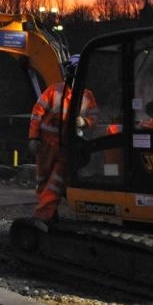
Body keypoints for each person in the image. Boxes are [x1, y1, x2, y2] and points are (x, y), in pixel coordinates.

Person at [27, 55, 97, 221]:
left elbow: (94, 117)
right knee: (43, 181)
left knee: (55, 183)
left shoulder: (87, 96)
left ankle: (43, 216)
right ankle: (51, 214)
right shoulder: (54, 91)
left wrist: (85, 122)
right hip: (46, 145)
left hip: (68, 146)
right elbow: (37, 114)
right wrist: (33, 138)